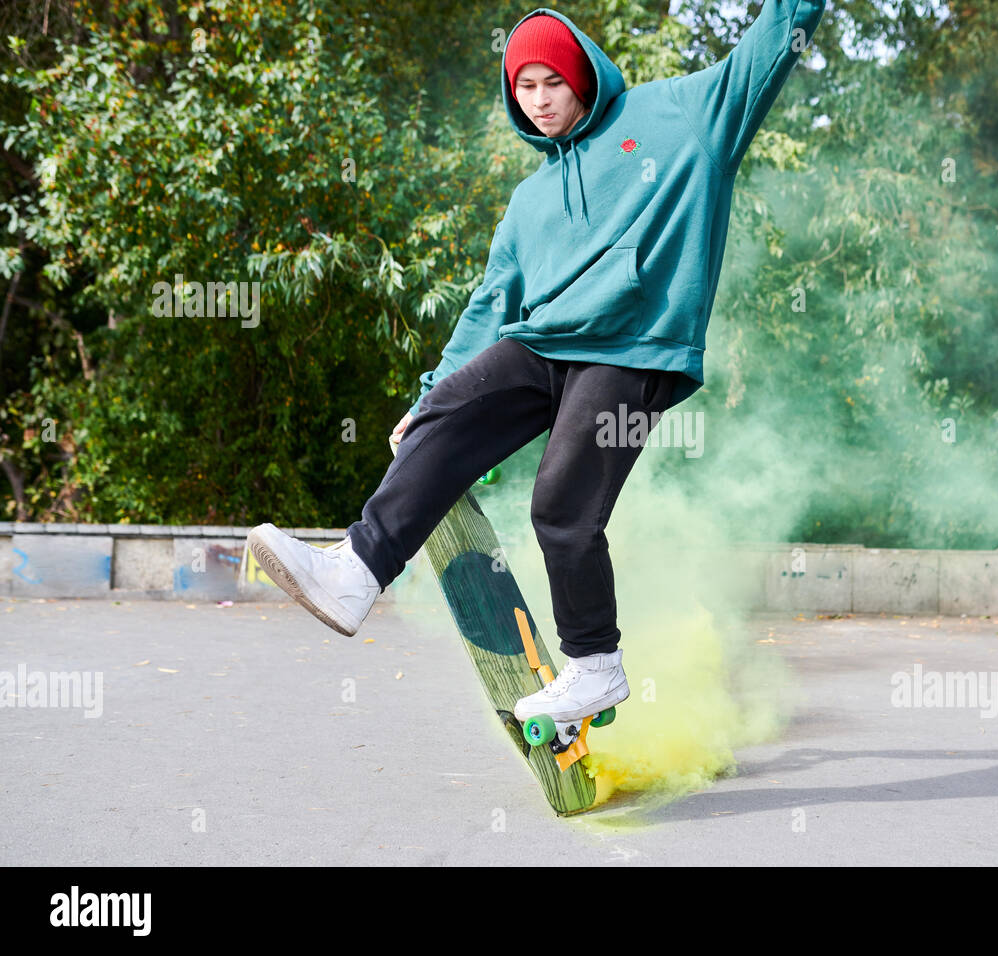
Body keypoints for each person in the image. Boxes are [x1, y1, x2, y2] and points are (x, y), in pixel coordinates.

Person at [248, 2, 826, 726]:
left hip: (635, 348)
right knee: (449, 414)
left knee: (559, 503)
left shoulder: (684, 112)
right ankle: (356, 571)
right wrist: (429, 397)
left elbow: (765, 51)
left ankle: (594, 667)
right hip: (547, 345)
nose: (542, 99)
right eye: (525, 86)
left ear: (582, 75)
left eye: (554, 81)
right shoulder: (527, 204)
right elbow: (492, 305)